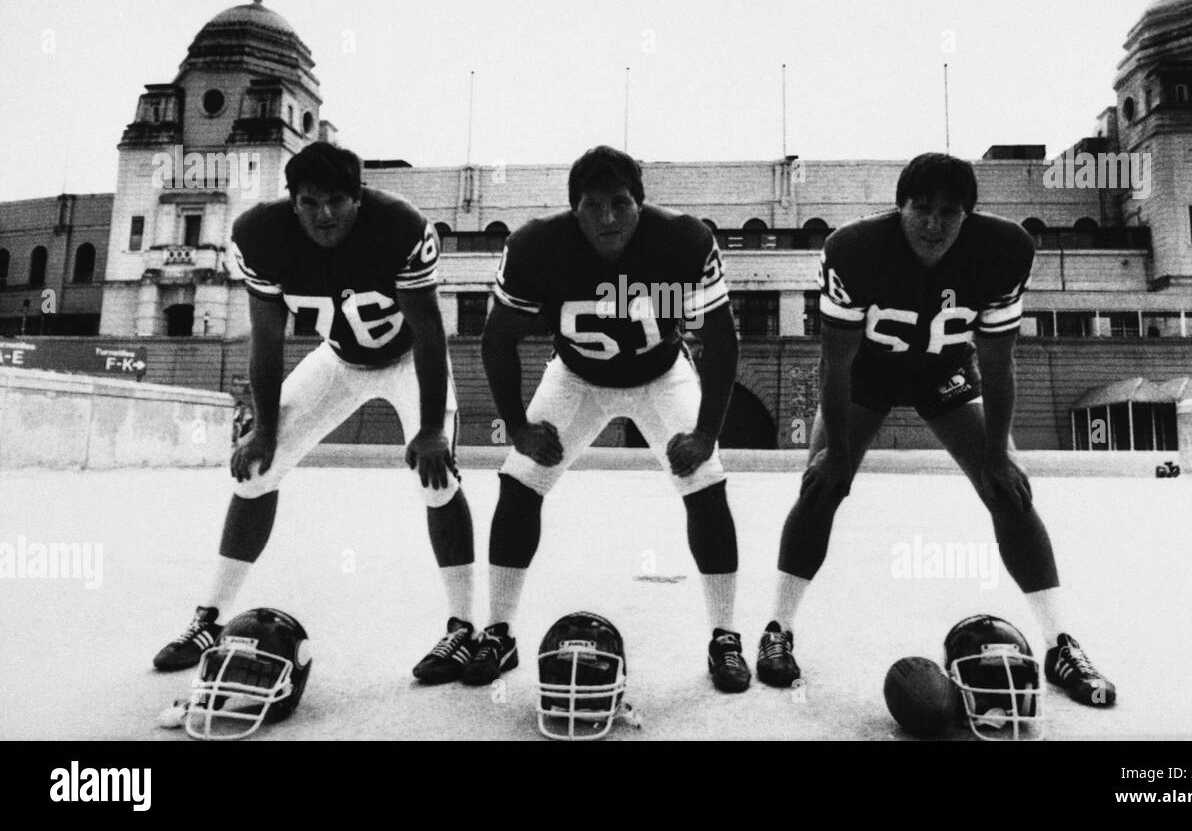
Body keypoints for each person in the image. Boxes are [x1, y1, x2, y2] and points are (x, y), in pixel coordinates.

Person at [755, 153, 1117, 708]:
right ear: (899, 206)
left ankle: (1060, 643)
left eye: (949, 212)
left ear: (968, 216)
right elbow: (834, 361)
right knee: (823, 484)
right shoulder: (854, 251)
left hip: (944, 371)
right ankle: (777, 629)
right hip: (865, 374)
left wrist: (997, 453)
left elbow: (999, 364)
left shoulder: (1004, 252)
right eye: (921, 208)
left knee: (1009, 490)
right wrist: (837, 455)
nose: (933, 223)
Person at [152, 141, 478, 686]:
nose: (323, 214)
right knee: (258, 470)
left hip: (406, 357)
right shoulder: (260, 234)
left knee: (436, 478)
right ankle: (210, 617)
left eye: (336, 201)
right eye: (309, 202)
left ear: (359, 197)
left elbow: (427, 329)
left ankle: (464, 626)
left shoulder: (400, 225)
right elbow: (266, 341)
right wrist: (263, 428)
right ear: (292, 200)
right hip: (339, 358)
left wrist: (427, 430)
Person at [472, 145, 750, 692]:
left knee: (705, 482)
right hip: (576, 375)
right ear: (572, 209)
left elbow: (722, 339)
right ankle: (499, 630)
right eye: (592, 205)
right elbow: (496, 338)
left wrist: (706, 432)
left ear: (640, 205)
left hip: (661, 372)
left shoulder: (685, 240)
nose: (608, 218)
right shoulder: (534, 246)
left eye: (620, 203)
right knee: (519, 482)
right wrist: (519, 427)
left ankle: (725, 635)